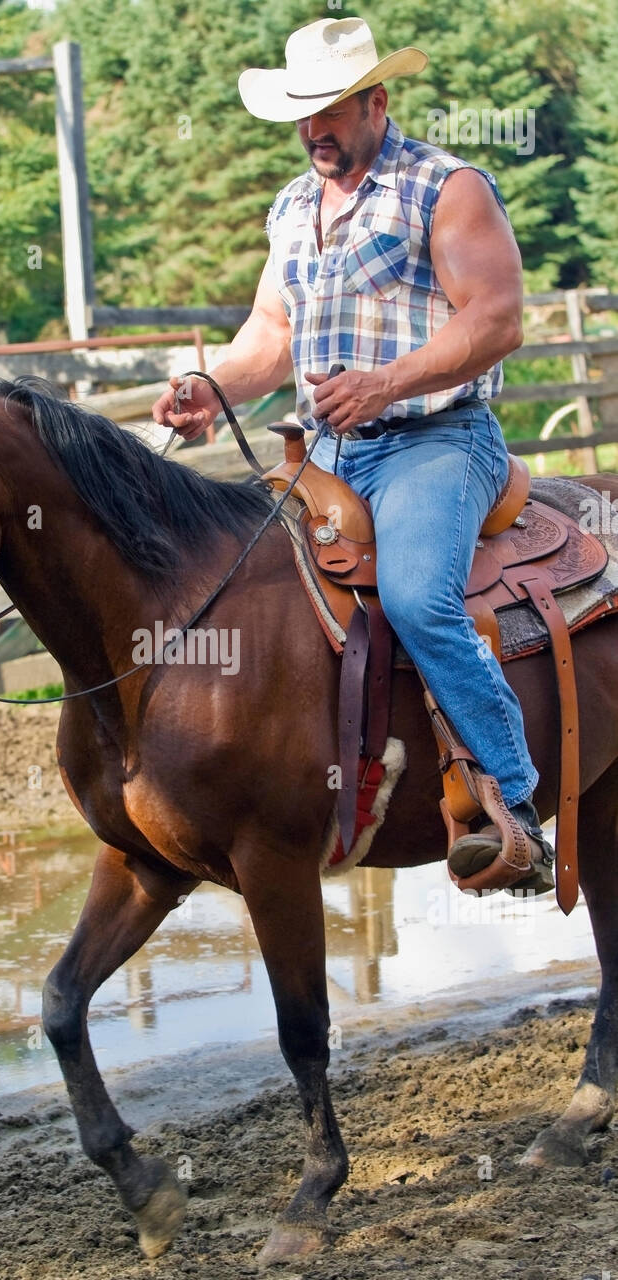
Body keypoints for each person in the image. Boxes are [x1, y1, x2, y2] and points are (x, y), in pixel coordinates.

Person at [152, 16, 555, 893]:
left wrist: (387, 384)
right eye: (302, 115)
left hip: (435, 442)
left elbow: (494, 318)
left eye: (329, 111)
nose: (313, 132)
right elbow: (271, 332)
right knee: (235, 592)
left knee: (415, 595)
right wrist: (210, 386)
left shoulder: (444, 187)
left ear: (377, 100)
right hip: (322, 454)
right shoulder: (294, 206)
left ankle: (513, 803)